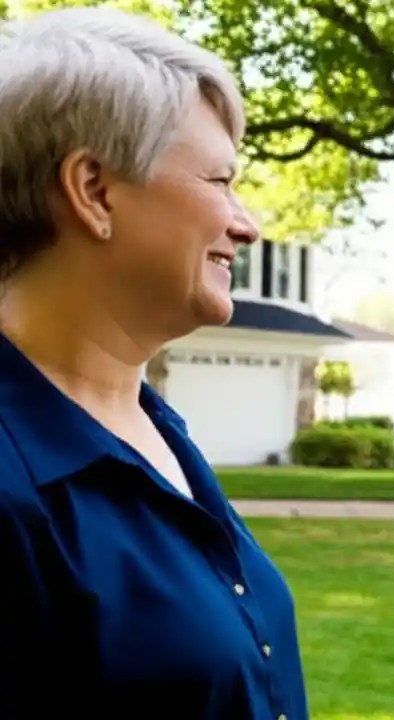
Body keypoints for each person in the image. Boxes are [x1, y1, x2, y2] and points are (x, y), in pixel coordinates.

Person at [0, 7, 308, 718]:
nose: (248, 222)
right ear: (94, 192)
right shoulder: (15, 484)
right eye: (221, 180)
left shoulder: (156, 431)